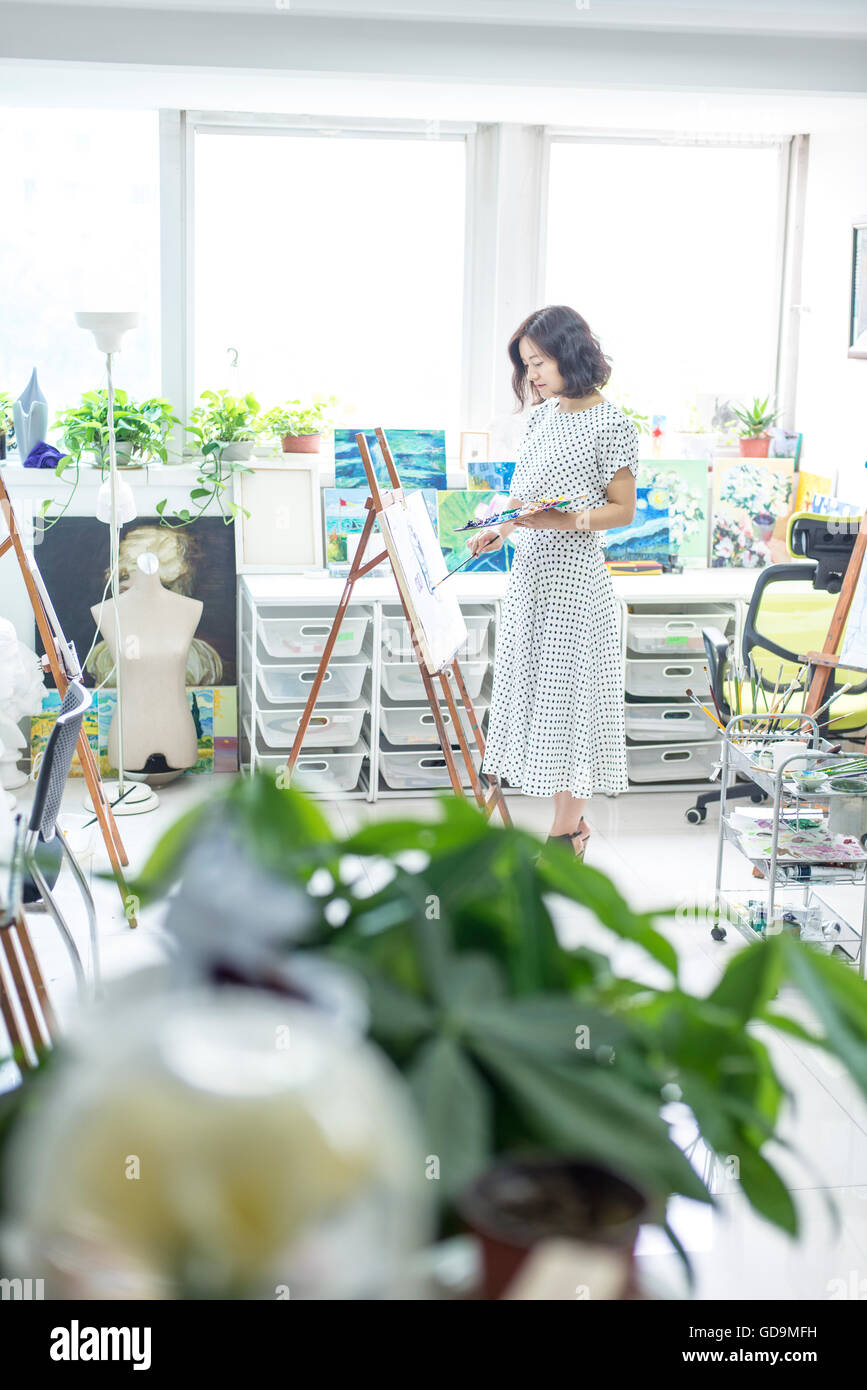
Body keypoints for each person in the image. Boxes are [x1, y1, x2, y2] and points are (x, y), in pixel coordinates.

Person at [474, 304, 639, 858]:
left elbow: (623, 511)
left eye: (540, 361)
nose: (534, 375)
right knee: (539, 703)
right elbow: (523, 498)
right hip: (530, 577)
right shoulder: (542, 417)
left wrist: (563, 521)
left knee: (569, 708)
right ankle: (570, 829)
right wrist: (497, 527)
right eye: (527, 365)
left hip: (575, 584)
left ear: (570, 352)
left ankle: (564, 834)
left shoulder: (612, 424)